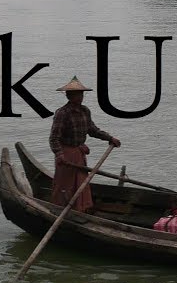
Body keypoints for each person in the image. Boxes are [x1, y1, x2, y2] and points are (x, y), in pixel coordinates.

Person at [47, 76, 121, 213]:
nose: (80, 97)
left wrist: (110, 138)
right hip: (66, 154)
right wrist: (59, 154)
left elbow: (92, 130)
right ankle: (59, 210)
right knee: (65, 184)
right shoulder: (62, 113)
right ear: (69, 96)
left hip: (79, 153)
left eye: (81, 94)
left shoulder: (85, 111)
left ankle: (79, 209)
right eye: (76, 94)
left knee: (81, 182)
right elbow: (54, 138)